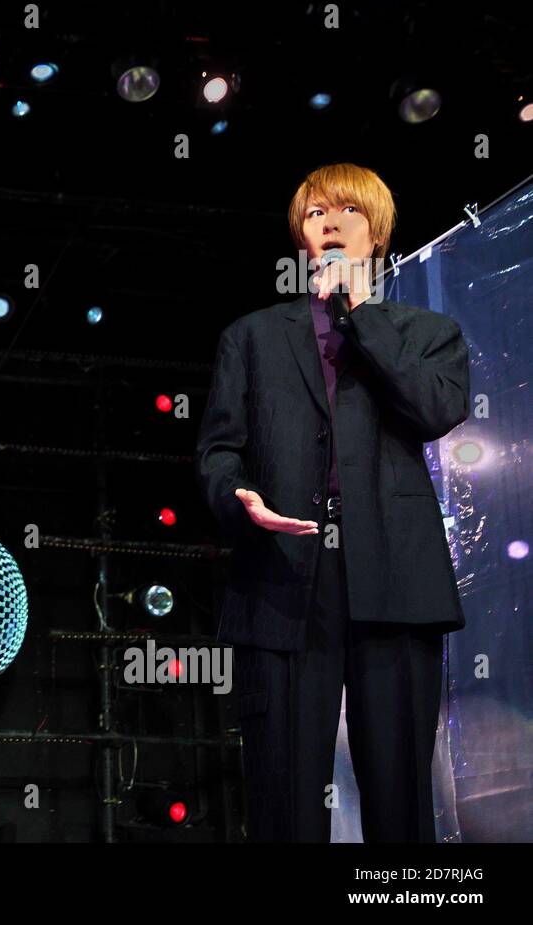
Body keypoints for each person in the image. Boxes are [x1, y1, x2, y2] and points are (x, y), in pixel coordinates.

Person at [194, 162, 470, 841]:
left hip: (398, 578)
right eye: (316, 214)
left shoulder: (426, 333)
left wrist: (363, 318)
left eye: (345, 212)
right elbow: (217, 452)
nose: (330, 223)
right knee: (284, 794)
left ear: (375, 234)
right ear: (301, 238)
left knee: (401, 796)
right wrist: (240, 498)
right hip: (286, 574)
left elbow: (436, 408)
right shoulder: (252, 336)